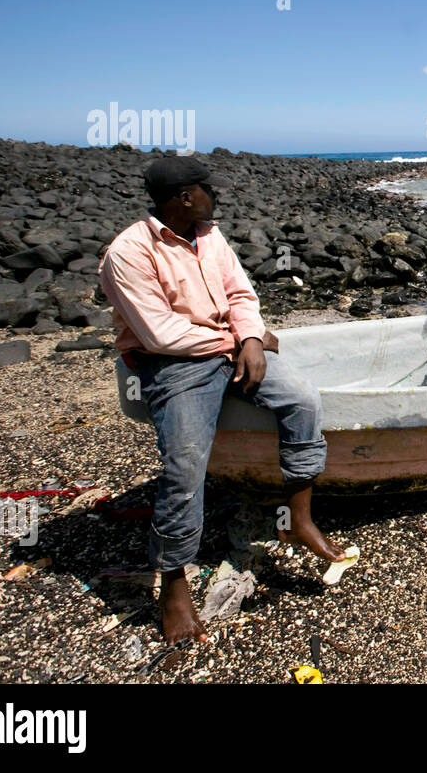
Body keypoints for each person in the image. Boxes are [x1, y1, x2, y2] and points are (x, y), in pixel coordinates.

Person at [98, 155, 347, 644]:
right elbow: (159, 333)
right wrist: (240, 344)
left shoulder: (208, 234)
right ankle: (173, 583)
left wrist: (251, 338)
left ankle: (298, 517)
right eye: (207, 188)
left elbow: (240, 294)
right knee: (185, 464)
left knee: (301, 397)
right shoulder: (128, 253)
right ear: (184, 197)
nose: (217, 195)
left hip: (231, 346)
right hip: (172, 362)